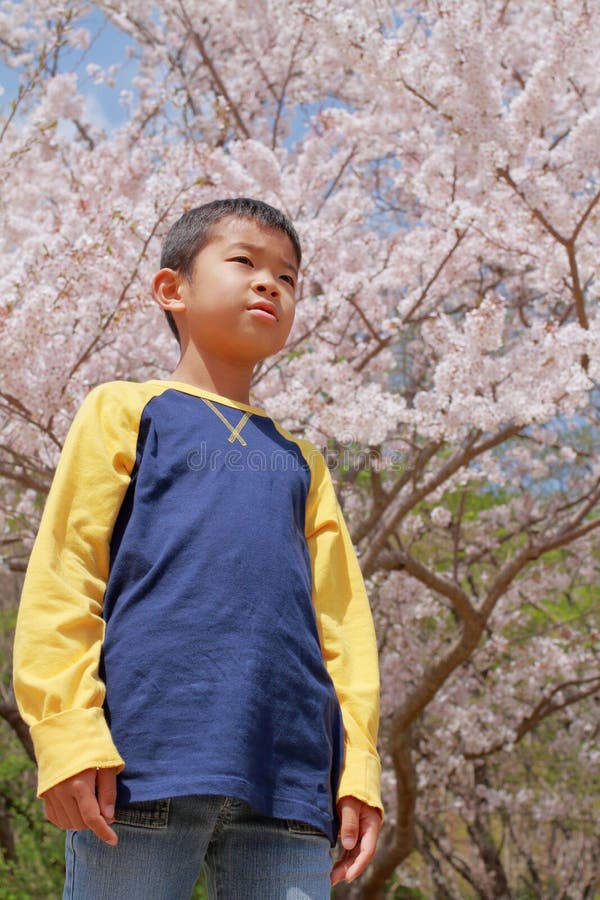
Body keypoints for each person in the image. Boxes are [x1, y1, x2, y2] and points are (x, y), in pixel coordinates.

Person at [13, 198, 383, 899]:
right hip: (139, 763)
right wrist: (66, 734)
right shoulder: (125, 410)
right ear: (171, 289)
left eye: (289, 276)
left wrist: (357, 765)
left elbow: (342, 625)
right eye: (244, 261)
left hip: (290, 779)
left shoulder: (303, 461)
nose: (269, 282)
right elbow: (68, 574)